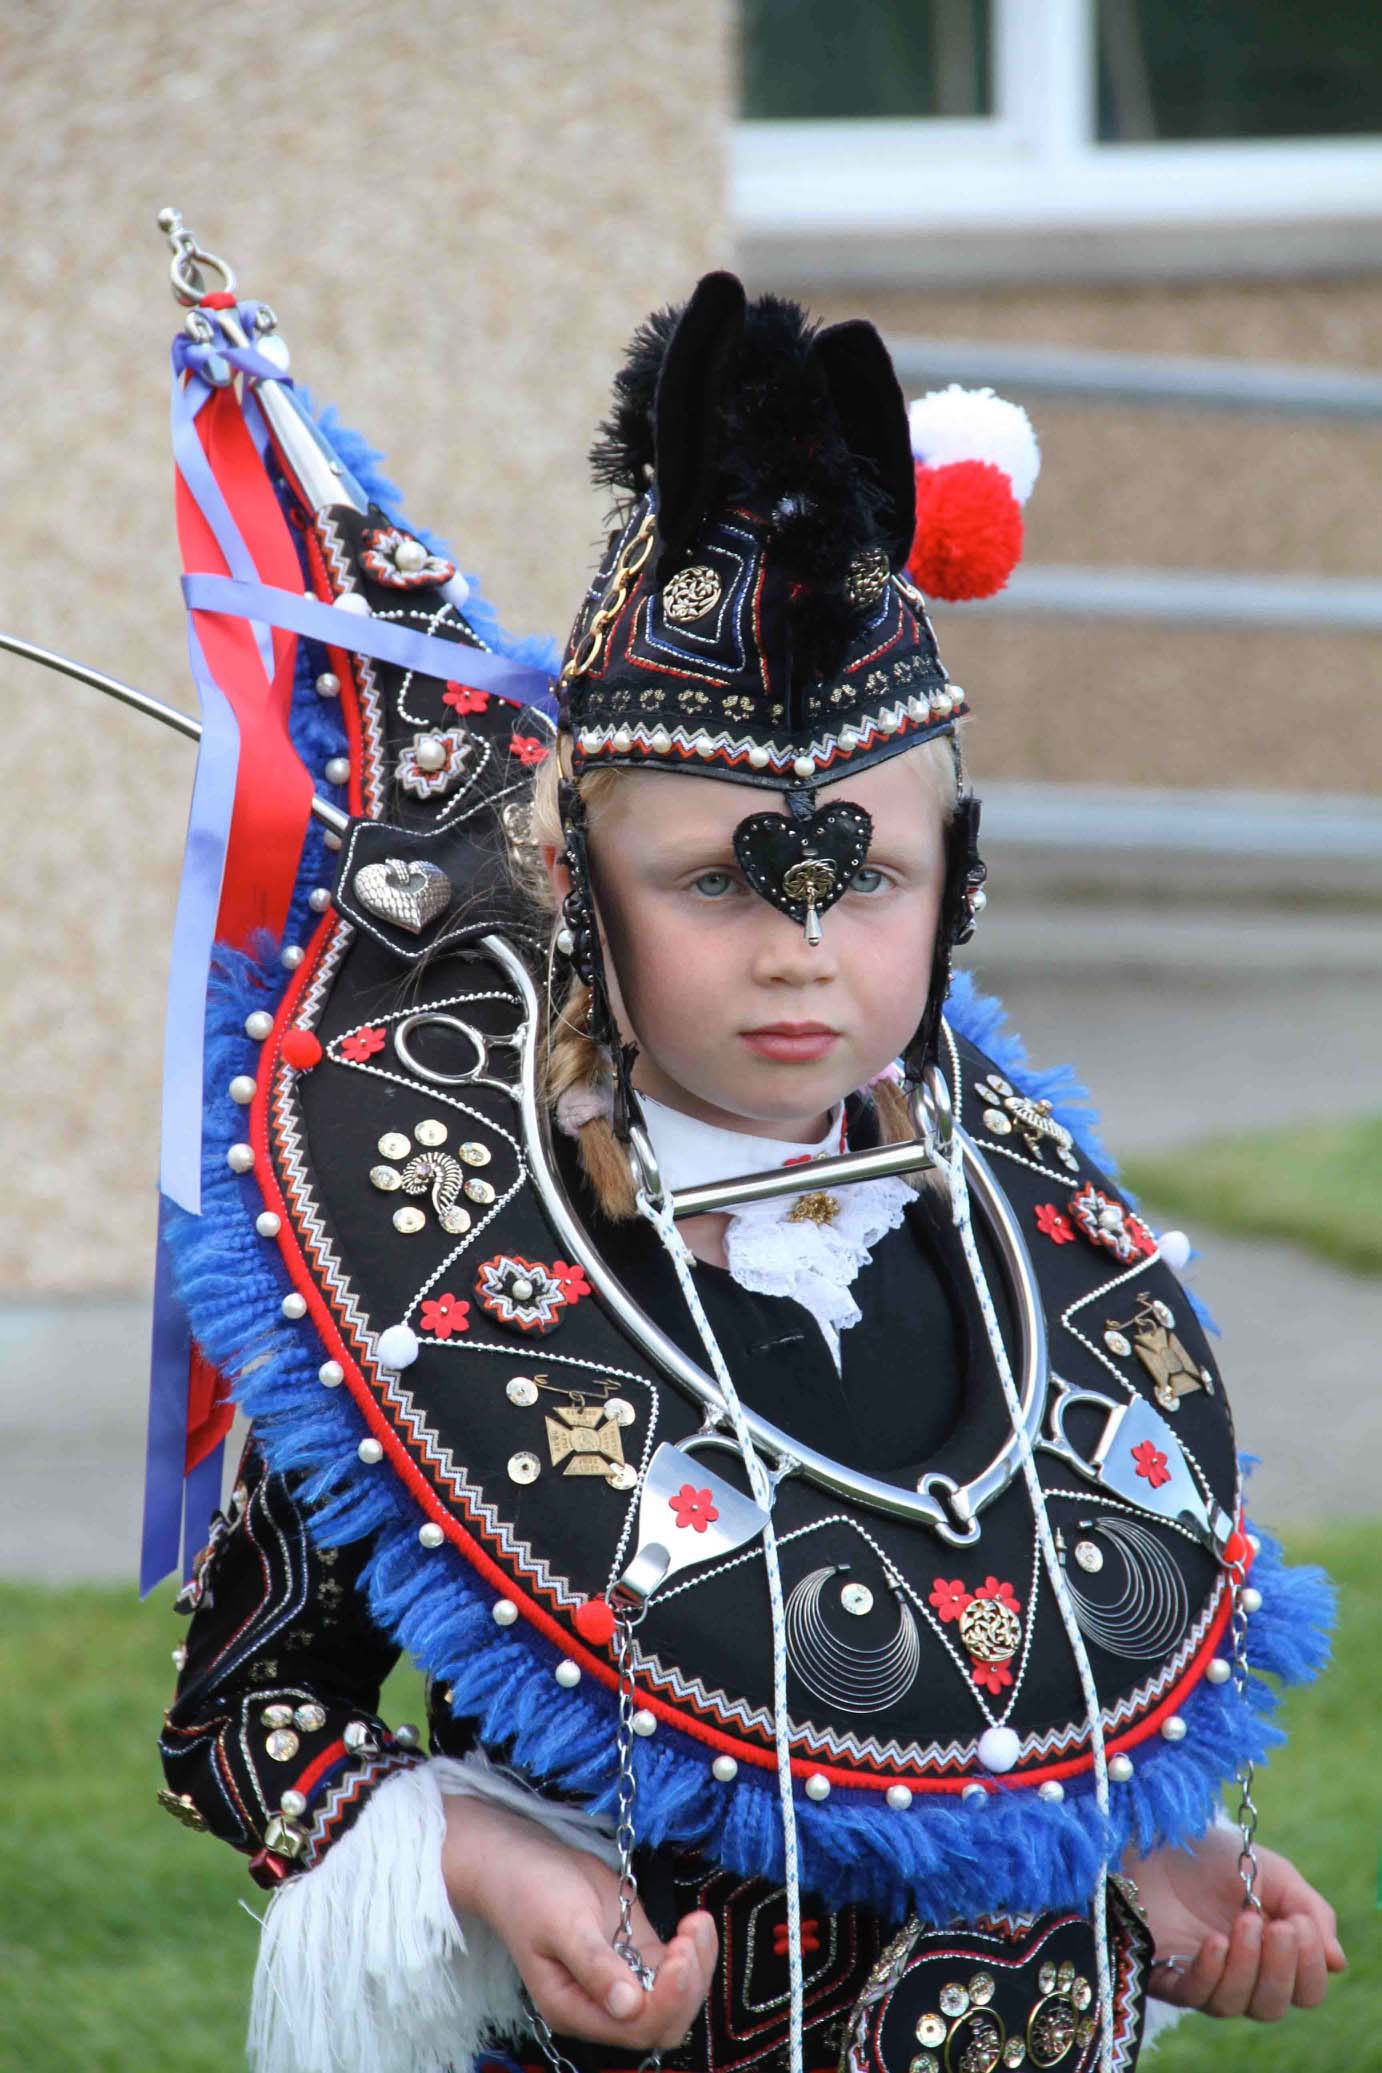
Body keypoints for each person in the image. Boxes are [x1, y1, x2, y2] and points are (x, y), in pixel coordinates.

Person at [159, 274, 1341, 2073]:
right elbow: (250, 1721)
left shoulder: (1007, 1218)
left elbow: (1007, 1663)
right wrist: (489, 1862)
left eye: (864, 876)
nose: (801, 951)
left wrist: (1149, 1845)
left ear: (957, 886)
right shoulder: (414, 1267)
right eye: (718, 879)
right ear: (580, 884)